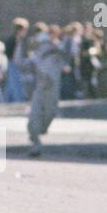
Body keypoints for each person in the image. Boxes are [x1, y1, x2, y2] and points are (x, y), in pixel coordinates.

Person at [25, 23, 68, 156]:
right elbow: (32, 60)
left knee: (51, 112)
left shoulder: (58, 48)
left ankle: (39, 131)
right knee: (35, 113)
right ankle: (35, 139)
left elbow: (65, 61)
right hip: (41, 83)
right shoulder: (40, 46)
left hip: (53, 85)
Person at [3, 17, 30, 103]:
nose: (25, 32)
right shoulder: (13, 40)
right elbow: (9, 53)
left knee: (11, 83)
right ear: (19, 30)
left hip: (16, 64)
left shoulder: (19, 40)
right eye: (24, 30)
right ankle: (17, 100)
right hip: (13, 63)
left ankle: (8, 100)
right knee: (14, 83)